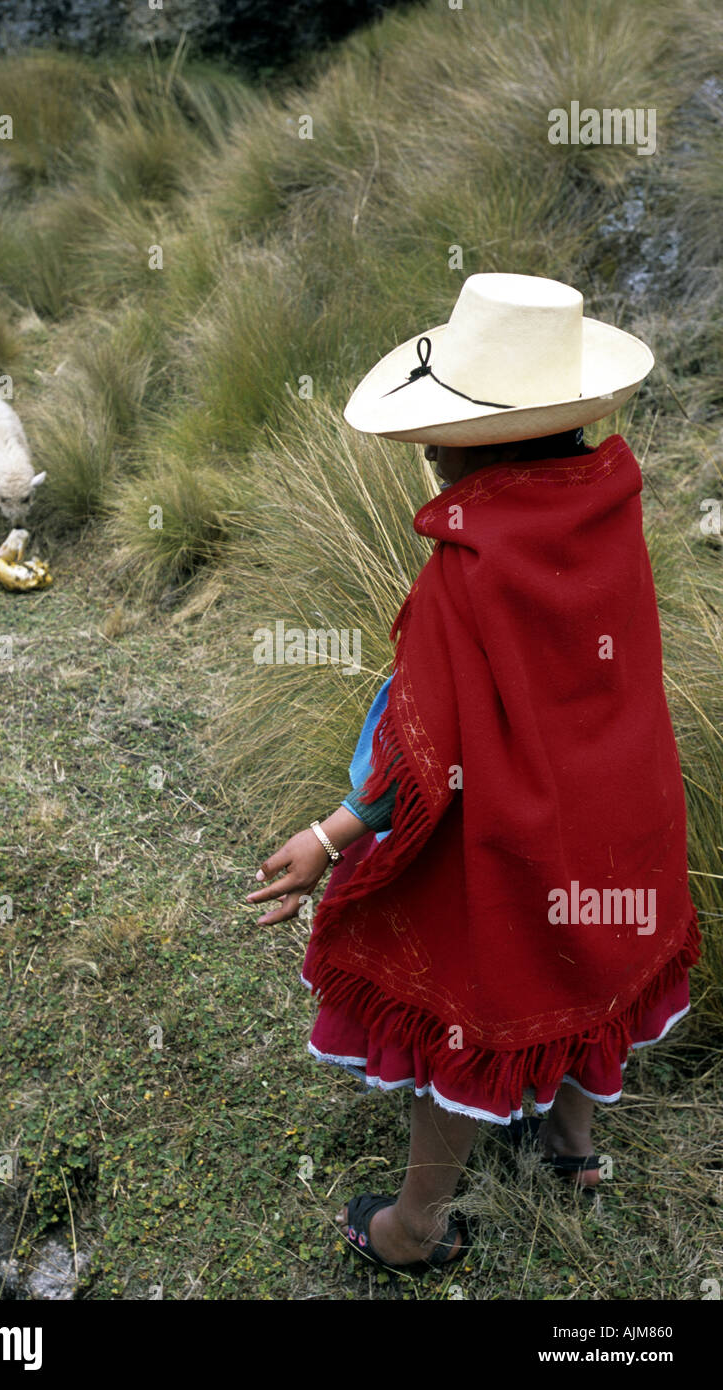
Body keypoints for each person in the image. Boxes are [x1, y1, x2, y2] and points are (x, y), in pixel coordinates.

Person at [247, 273, 701, 1275]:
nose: (427, 452)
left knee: (473, 999)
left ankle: (413, 1224)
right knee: (599, 968)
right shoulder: (607, 501)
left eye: (437, 432)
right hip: (628, 805)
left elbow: (417, 749)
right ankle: (574, 1150)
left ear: (467, 442)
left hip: (519, 832)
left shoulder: (469, 558)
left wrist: (330, 837)